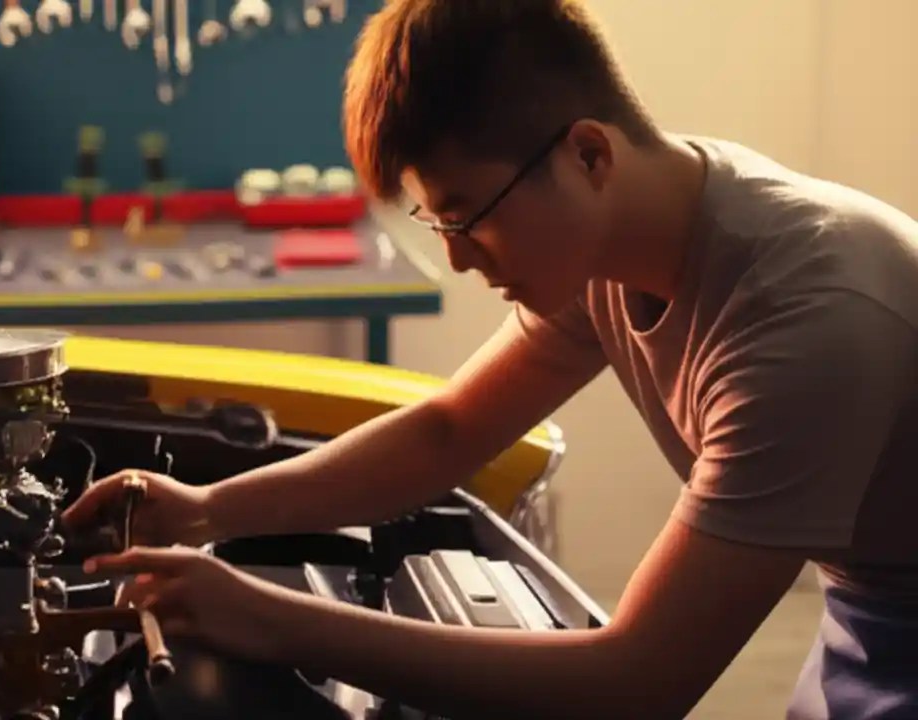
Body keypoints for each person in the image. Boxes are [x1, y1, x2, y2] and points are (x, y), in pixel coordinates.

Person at [61, 0, 918, 717]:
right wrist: (206, 510)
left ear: (589, 154)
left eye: (466, 216)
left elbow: (640, 682)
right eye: (439, 224)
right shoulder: (622, 227)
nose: (460, 258)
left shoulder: (809, 319)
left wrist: (270, 620)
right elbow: (447, 432)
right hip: (872, 604)